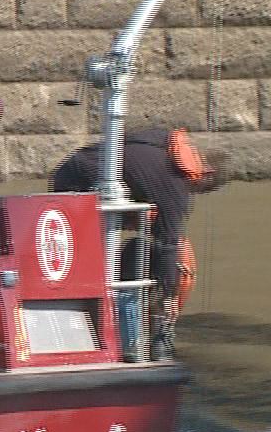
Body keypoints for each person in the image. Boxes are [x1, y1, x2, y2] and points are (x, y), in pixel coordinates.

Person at [51, 127, 228, 354]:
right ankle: (135, 343)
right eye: (201, 190)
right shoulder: (174, 188)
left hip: (69, 175)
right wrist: (169, 295)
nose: (193, 192)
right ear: (207, 174)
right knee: (160, 259)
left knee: (124, 254)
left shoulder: (157, 141)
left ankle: (103, 323)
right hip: (84, 193)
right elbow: (168, 245)